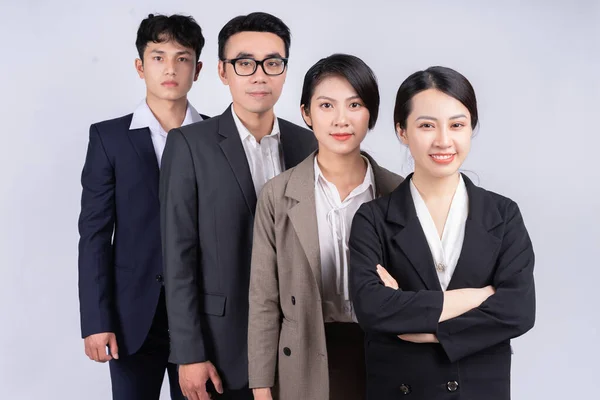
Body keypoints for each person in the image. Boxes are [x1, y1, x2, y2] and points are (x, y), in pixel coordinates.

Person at [349, 66, 536, 400]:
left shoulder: (503, 214)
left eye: (457, 125)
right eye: (426, 126)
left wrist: (427, 329)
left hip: (479, 390)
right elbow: (372, 308)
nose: (443, 141)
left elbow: (519, 310)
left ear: (470, 129)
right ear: (402, 131)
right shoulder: (373, 219)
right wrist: (476, 297)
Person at [159, 12, 317, 400]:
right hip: (218, 348)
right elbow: (177, 259)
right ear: (222, 71)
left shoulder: (309, 145)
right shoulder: (188, 145)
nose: (259, 75)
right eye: (244, 63)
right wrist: (188, 354)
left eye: (272, 63)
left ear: (284, 71)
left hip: (297, 343)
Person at [248, 54, 403, 400]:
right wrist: (260, 384)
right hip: (304, 353)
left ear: (371, 114)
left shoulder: (397, 192)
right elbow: (263, 298)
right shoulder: (277, 195)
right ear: (306, 113)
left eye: (355, 104)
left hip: (384, 351)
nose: (341, 119)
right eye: (327, 105)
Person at [77, 13, 207, 400]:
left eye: (182, 58)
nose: (170, 68)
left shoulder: (217, 137)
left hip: (204, 316)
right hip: (133, 318)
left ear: (197, 69)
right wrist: (96, 321)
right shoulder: (109, 138)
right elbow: (95, 235)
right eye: (158, 57)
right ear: (140, 66)